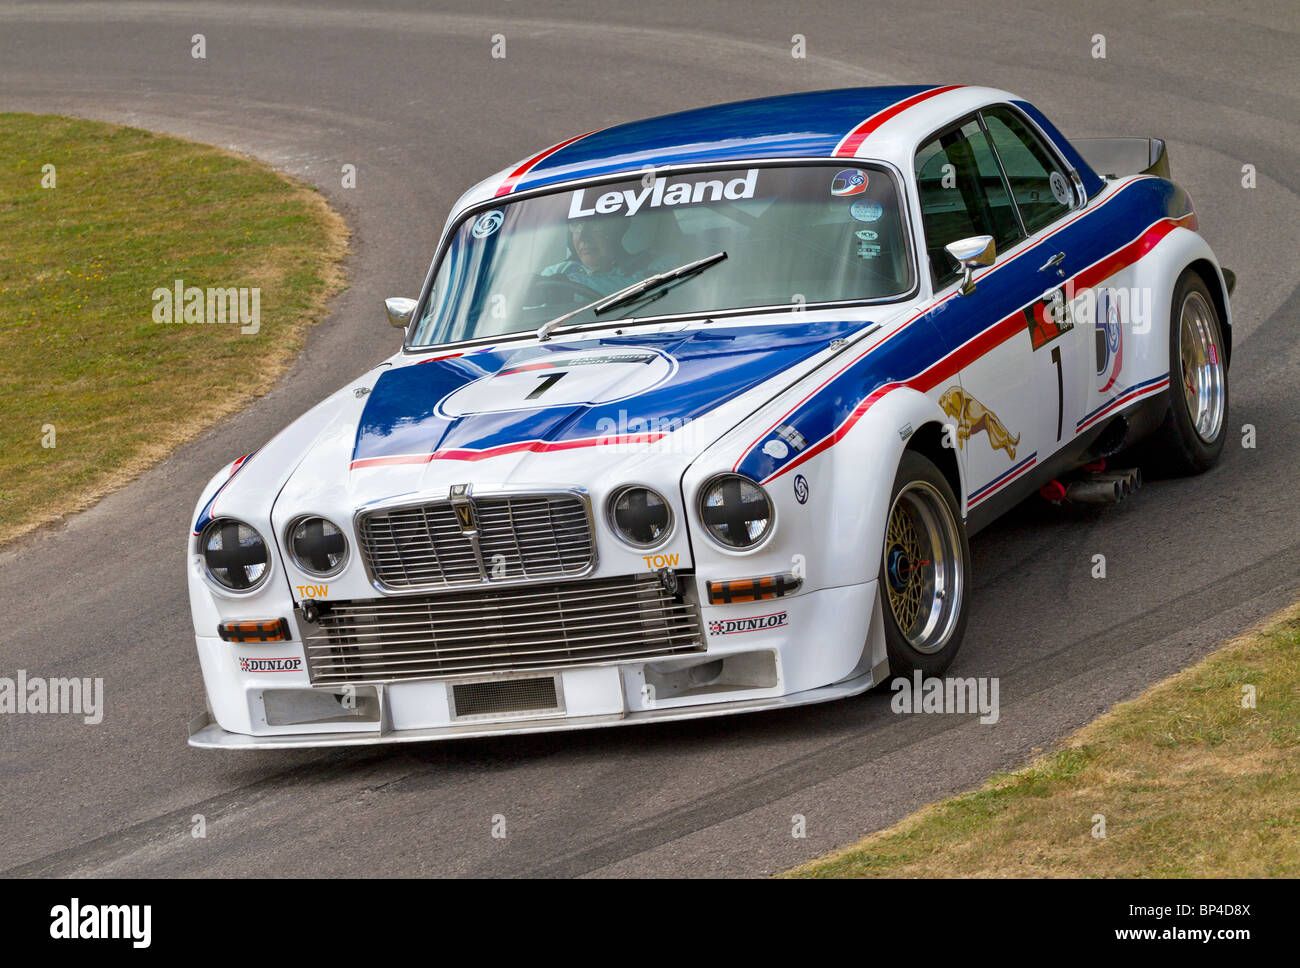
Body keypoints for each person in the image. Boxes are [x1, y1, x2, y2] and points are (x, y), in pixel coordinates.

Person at [540, 215, 661, 296]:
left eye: (595, 224)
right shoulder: (558, 271)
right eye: (577, 224)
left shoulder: (660, 264)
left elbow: (644, 290)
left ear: (619, 230)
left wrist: (569, 283)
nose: (583, 236)